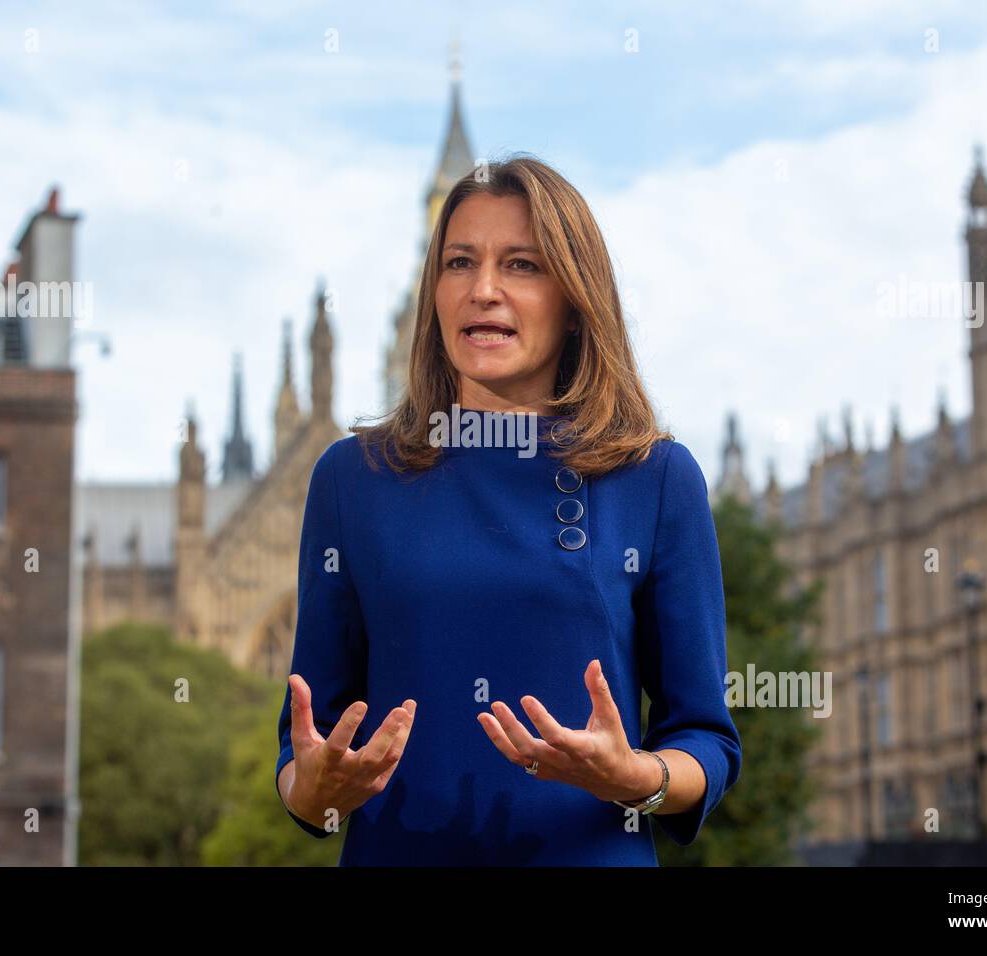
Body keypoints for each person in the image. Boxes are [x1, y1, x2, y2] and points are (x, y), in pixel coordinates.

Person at [274, 153, 740, 865]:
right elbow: (306, 758)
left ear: (575, 296)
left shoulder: (656, 479)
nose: (483, 290)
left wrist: (636, 777)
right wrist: (315, 790)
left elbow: (706, 740)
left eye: (521, 265)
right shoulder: (352, 480)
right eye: (459, 263)